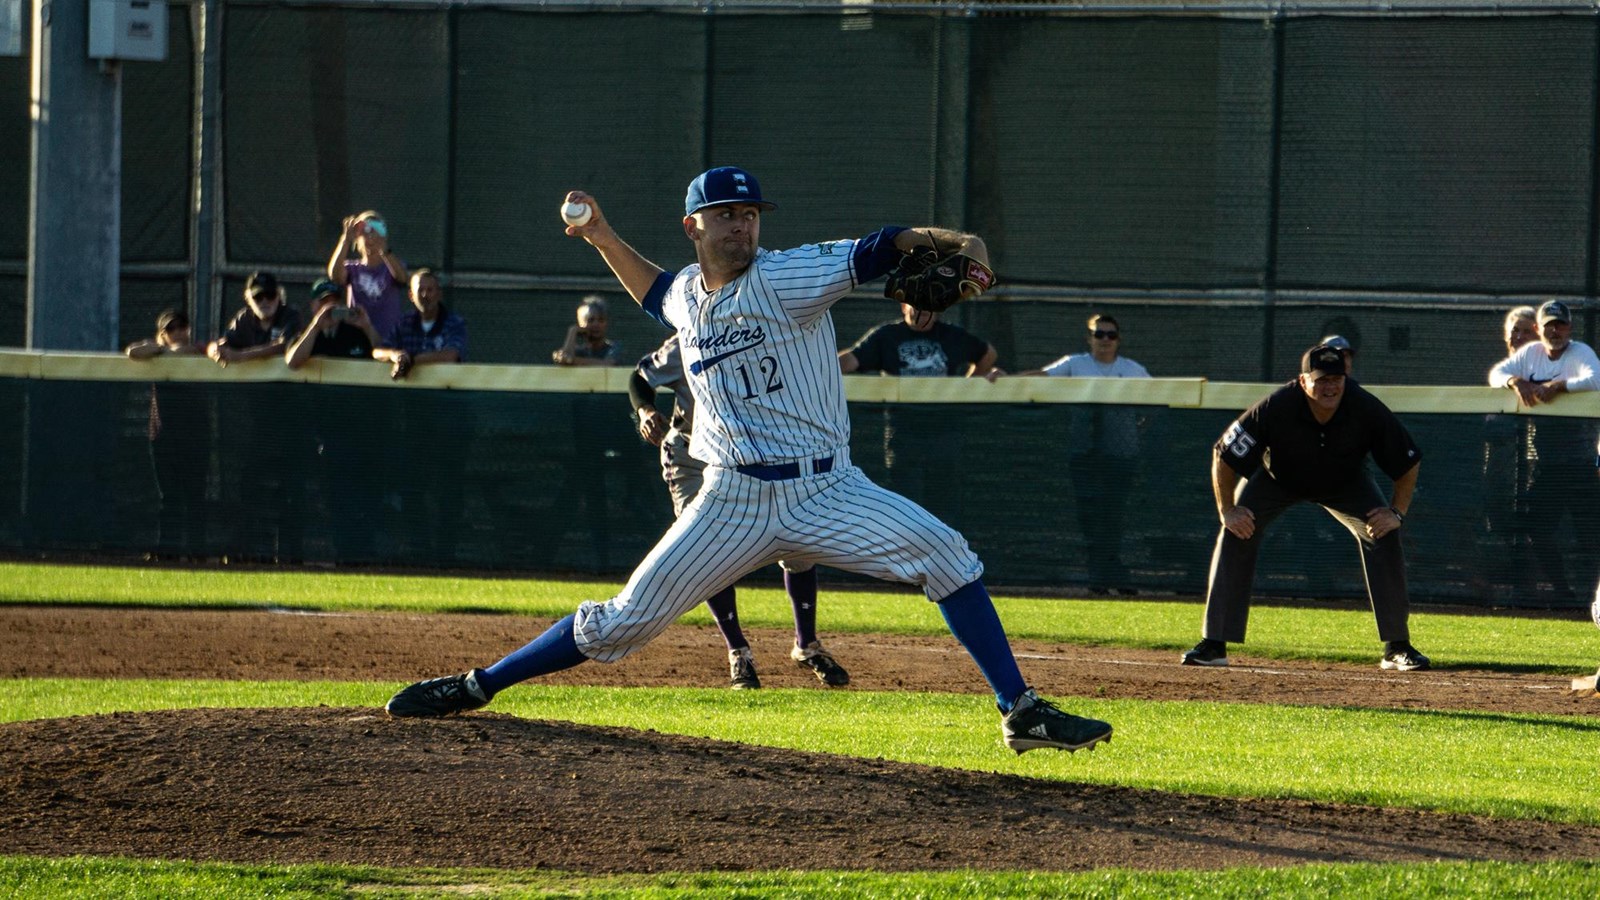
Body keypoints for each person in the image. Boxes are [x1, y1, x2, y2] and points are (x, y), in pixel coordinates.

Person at [387, 165, 1113, 754]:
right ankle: (479, 685)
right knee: (618, 625)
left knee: (948, 555)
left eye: (751, 213)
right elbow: (653, 292)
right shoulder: (685, 297)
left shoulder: (787, 276)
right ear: (694, 227)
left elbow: (881, 245)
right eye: (727, 214)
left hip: (825, 492)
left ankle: (1019, 709)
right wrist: (601, 233)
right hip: (730, 500)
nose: (742, 224)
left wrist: (958, 237)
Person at [1182, 343, 1427, 671]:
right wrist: (1227, 510)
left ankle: (1397, 646)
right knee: (1238, 530)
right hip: (1277, 479)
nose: (1330, 387)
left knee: (1382, 534)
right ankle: (1215, 644)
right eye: (1321, 379)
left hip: (1346, 481)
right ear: (1302, 381)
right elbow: (1223, 456)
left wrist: (1395, 513)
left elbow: (1408, 461)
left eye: (1336, 379)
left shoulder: (1365, 407)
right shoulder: (1275, 406)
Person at [631, 334, 850, 689]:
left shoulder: (769, 331)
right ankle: (738, 652)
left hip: (754, 456)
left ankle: (806, 645)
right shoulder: (690, 336)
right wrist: (646, 409)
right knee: (705, 551)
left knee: (799, 542)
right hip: (691, 454)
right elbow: (641, 377)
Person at [989, 313, 1151, 595]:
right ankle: (1098, 576)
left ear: (1118, 339)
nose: (1105, 340)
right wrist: (1006, 378)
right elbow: (1042, 376)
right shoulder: (1075, 364)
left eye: (1110, 335)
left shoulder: (1132, 369)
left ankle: (1115, 574)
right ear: (1089, 338)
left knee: (1114, 515)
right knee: (1090, 516)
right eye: (1099, 334)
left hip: (1121, 456)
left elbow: (1158, 396)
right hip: (1084, 455)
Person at [1487, 300, 1600, 599]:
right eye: (1549, 324)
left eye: (1560, 324)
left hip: (1581, 465)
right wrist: (1515, 380)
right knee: (1538, 530)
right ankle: (1564, 595)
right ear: (1539, 329)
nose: (1555, 330)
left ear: (1570, 328)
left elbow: (1596, 378)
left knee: (1592, 537)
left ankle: (1594, 597)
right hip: (1548, 465)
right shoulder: (1531, 354)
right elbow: (1495, 374)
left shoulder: (1580, 352)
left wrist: (1558, 386)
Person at [127, 309, 207, 555]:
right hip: (163, 437)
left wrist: (165, 351)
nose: (178, 333)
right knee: (169, 497)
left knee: (195, 497)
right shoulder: (156, 354)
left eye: (182, 327)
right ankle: (167, 550)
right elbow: (133, 352)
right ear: (162, 333)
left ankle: (197, 551)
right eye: (171, 329)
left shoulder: (196, 351)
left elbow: (198, 349)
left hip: (195, 437)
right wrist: (158, 349)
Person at [837, 303, 997, 377]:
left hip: (947, 422)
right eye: (916, 303)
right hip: (901, 425)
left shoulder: (953, 335)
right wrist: (817, 373)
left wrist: (969, 385)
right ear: (904, 307)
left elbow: (987, 354)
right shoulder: (885, 336)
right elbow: (850, 360)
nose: (922, 309)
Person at [327, 211, 409, 341]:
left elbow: (402, 278)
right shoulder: (352, 268)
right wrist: (345, 240)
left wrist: (384, 251)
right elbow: (335, 275)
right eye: (364, 233)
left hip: (388, 339)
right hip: (357, 337)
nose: (369, 237)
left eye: (374, 232)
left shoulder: (392, 266)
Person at [376, 269, 468, 376]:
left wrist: (411, 360)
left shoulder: (454, 323)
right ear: (411, 296)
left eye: (430, 290)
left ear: (439, 294)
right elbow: (378, 351)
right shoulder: (404, 323)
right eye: (420, 290)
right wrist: (395, 355)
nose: (425, 295)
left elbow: (451, 356)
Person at [285, 278, 386, 369]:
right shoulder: (305, 335)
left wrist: (367, 327)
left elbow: (382, 353)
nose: (330, 306)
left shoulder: (354, 333)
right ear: (313, 305)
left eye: (334, 301)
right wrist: (316, 327)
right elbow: (292, 363)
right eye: (324, 301)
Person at [207, 271, 304, 366]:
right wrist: (215, 350)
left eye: (270, 295)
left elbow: (285, 346)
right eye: (258, 296)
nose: (265, 301)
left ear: (279, 296)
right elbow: (222, 343)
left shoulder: (290, 315)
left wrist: (241, 356)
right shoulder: (244, 318)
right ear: (248, 299)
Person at [552, 295, 624, 366]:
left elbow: (608, 364)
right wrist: (573, 331)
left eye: (601, 320)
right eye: (590, 320)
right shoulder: (578, 352)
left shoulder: (614, 348)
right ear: (581, 324)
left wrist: (572, 360)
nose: (596, 324)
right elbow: (565, 359)